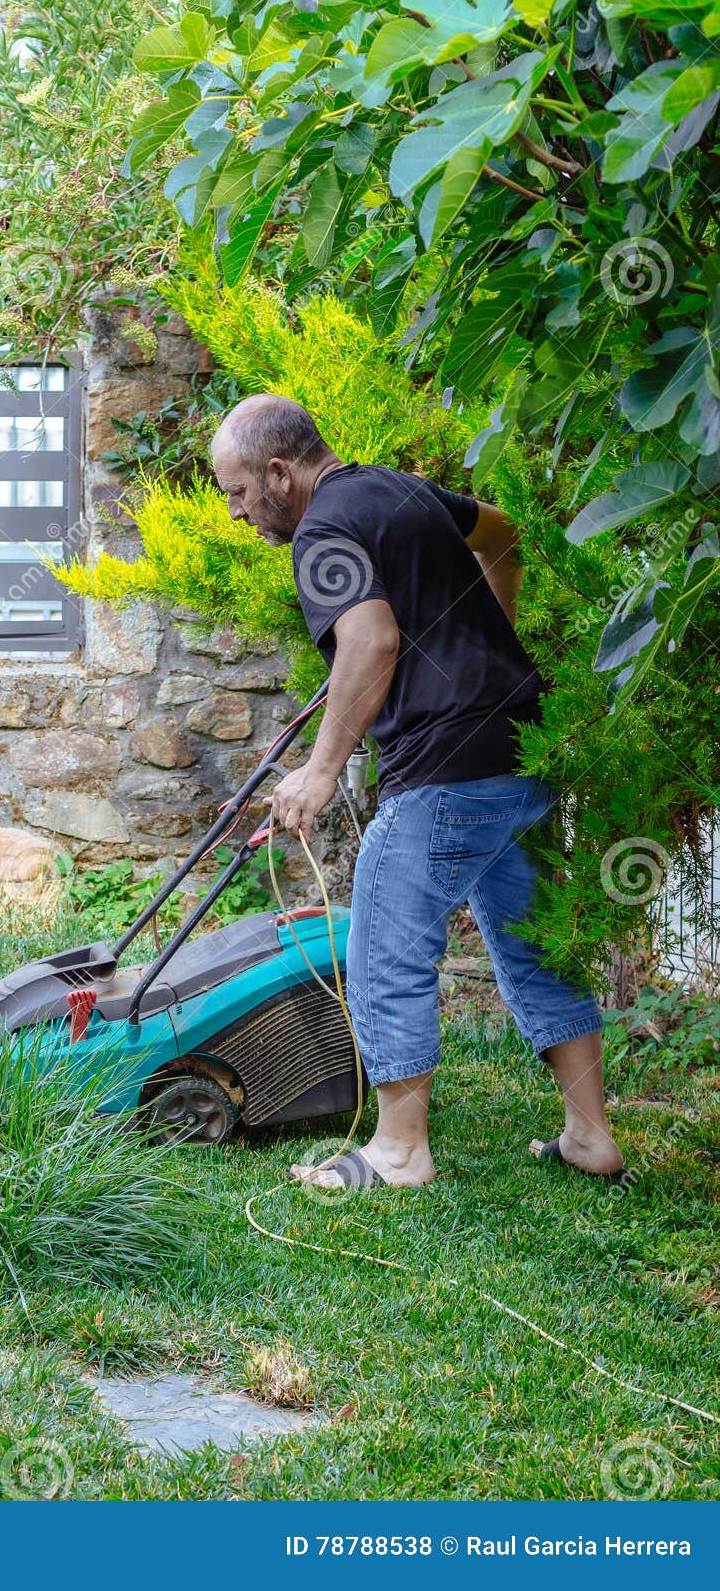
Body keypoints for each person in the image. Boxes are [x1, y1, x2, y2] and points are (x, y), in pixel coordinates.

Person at [210, 392, 626, 1191]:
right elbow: (503, 533)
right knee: (535, 945)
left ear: (278, 473)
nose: (236, 512)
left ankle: (400, 1151)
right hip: (520, 751)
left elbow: (370, 638)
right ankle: (590, 1135)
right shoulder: (401, 489)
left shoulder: (324, 531)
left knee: (386, 948)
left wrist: (323, 770)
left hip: (447, 769)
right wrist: (492, 637)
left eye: (237, 492)